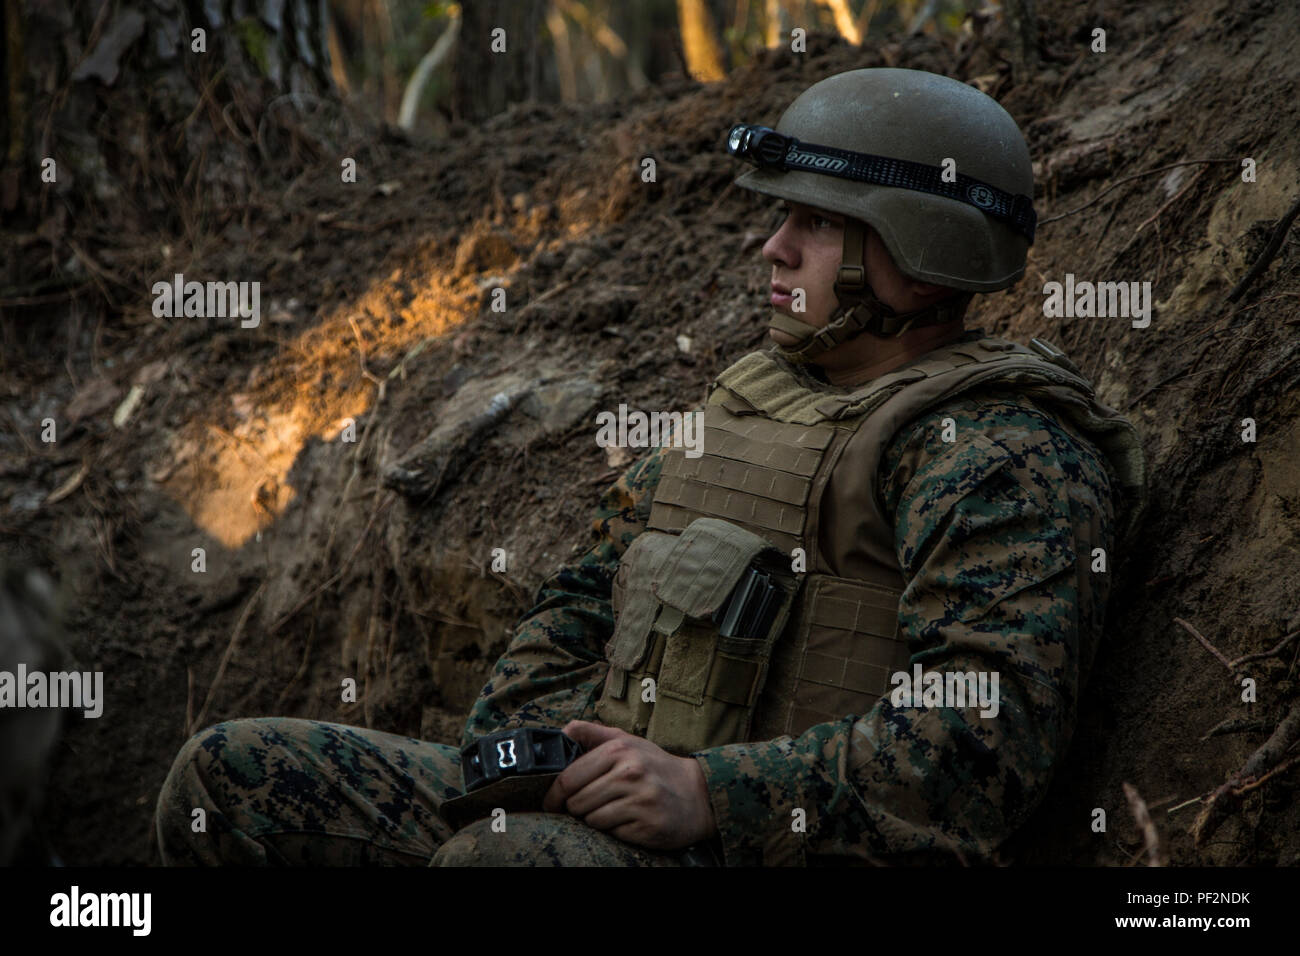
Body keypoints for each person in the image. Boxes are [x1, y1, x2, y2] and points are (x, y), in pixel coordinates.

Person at [155, 67, 1145, 867]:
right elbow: (571, 616)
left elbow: (978, 753)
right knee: (227, 777)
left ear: (921, 251)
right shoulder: (743, 407)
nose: (772, 247)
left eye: (818, 224)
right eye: (779, 218)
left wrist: (709, 793)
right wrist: (535, 761)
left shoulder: (998, 450)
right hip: (600, 820)